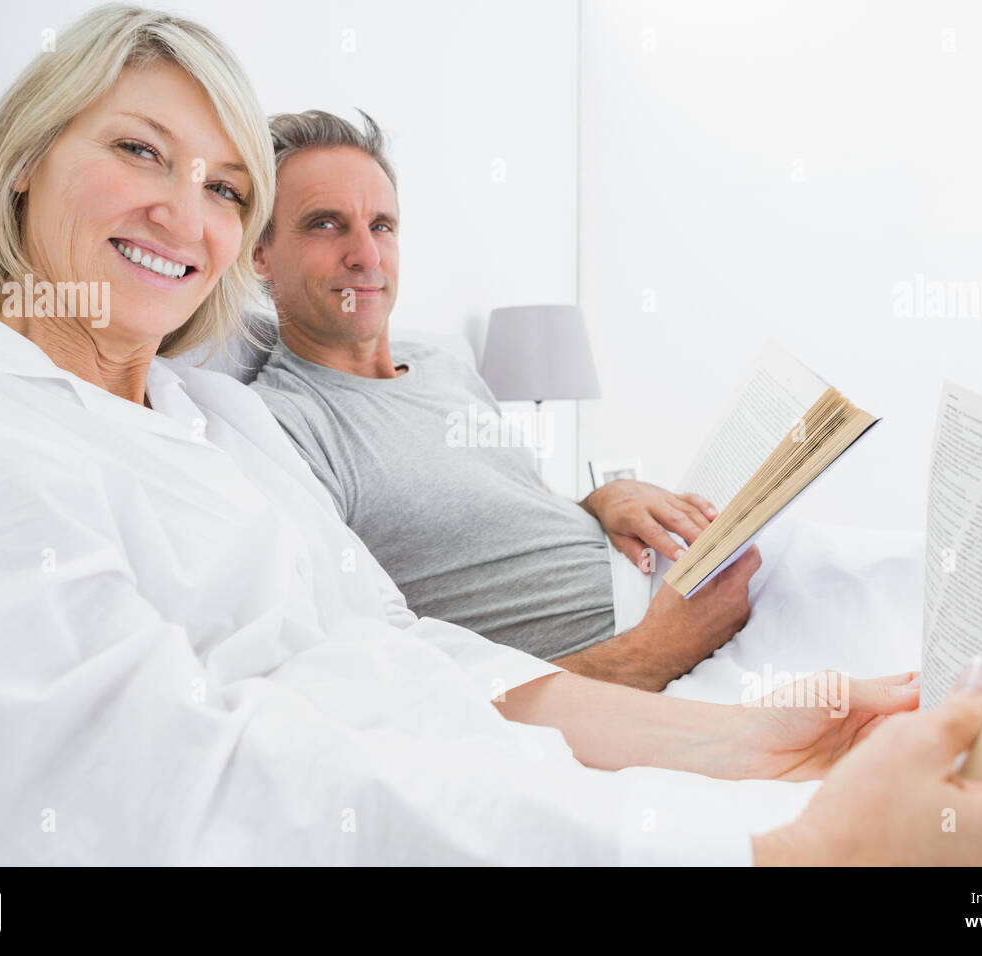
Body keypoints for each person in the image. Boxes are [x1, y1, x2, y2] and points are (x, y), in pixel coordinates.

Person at [0, 4, 982, 867]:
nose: (189, 217)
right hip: (329, 817)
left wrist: (755, 743)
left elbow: (423, 665)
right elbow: (140, 784)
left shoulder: (219, 419)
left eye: (225, 188)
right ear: (23, 160)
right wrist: (779, 851)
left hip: (486, 762)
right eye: (141, 150)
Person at [249, 110, 761, 690]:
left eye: (383, 226)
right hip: (657, 642)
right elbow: (377, 685)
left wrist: (597, 501)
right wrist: (654, 652)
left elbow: (516, 515)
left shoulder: (445, 366)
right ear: (257, 253)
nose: (367, 255)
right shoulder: (282, 426)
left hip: (686, 577)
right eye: (324, 224)